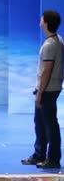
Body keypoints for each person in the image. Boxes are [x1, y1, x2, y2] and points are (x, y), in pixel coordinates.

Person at [22, 10, 64, 169]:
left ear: (45, 22)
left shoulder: (50, 45)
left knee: (50, 124)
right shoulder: (58, 40)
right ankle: (39, 154)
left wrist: (40, 93)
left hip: (47, 90)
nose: (40, 20)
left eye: (42, 18)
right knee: (40, 123)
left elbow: (47, 70)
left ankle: (53, 158)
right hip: (50, 88)